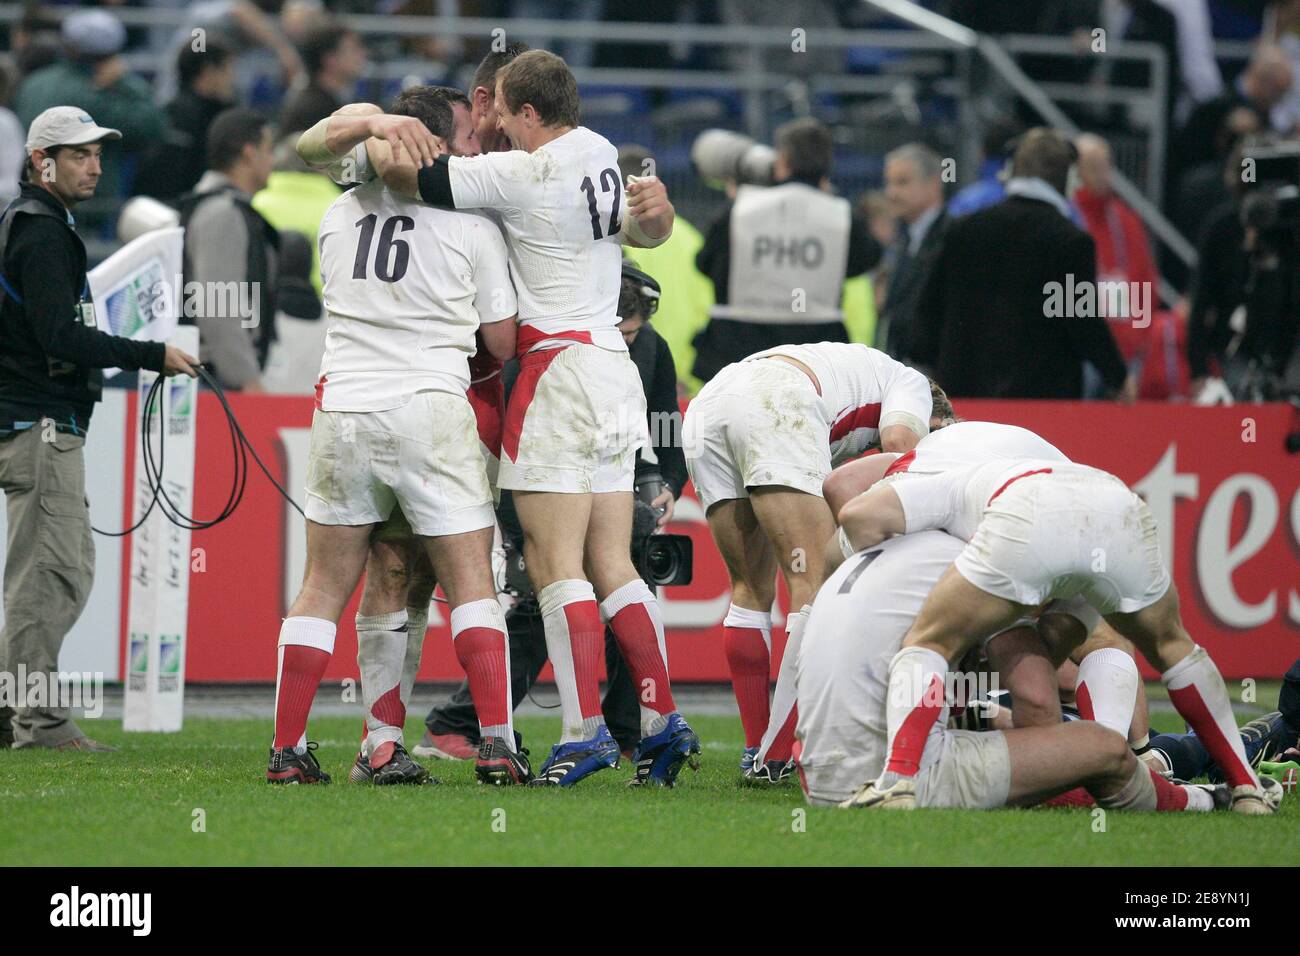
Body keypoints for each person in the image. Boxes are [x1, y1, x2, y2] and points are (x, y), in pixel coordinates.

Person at [362, 49, 699, 787]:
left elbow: (403, 175)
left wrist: (380, 125)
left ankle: (583, 733)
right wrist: (664, 219)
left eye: (503, 114)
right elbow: (642, 235)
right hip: (615, 367)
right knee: (614, 562)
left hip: (559, 374)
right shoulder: (604, 153)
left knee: (553, 565)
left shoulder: (522, 169)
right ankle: (660, 717)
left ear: (526, 114)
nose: (497, 128)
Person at [268, 85, 522, 786]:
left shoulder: (338, 213)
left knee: (327, 584)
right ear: (432, 145)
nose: (475, 149)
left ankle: (301, 749)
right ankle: (498, 743)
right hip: (432, 411)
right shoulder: (472, 227)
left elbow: (312, 143)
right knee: (470, 581)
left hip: (345, 409)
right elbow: (500, 344)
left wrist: (375, 124)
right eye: (467, 138)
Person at [834, 455, 1273, 814]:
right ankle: (1247, 789)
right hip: (1117, 502)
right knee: (1175, 648)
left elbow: (858, 515)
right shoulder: (1000, 451)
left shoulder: (939, 472)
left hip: (1028, 505)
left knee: (929, 640)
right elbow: (1048, 653)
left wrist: (857, 570)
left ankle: (898, 781)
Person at [419, 260, 690, 764]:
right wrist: (511, 518)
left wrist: (670, 483)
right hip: (545, 476)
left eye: (634, 333)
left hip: (607, 482)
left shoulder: (647, 347)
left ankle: (628, 728)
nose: (629, 341)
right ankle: (462, 721)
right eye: (623, 332)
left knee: (608, 582)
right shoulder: (548, 350)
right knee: (554, 595)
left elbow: (664, 418)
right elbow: (511, 428)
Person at [0, 107, 197, 751]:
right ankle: (39, 721)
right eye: (79, 154)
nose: (95, 165)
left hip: (35, 421)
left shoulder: (33, 223)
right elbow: (60, 335)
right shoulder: (42, 231)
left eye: (97, 154)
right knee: (49, 577)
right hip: (40, 426)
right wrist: (152, 354)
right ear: (41, 162)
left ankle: (13, 713)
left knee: (59, 569)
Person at [682, 340, 945, 782]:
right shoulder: (912, 382)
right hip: (776, 399)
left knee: (750, 589)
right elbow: (903, 447)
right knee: (815, 585)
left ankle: (756, 748)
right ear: (935, 416)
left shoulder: (861, 372)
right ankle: (779, 753)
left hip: (710, 403)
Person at [912, 128, 1135, 402]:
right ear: (1068, 177)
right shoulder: (1070, 241)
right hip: (1041, 405)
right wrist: (1118, 377)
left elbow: (928, 311)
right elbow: (1084, 324)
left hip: (966, 402)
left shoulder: (964, 228)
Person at [692, 118, 881, 384]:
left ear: (782, 160)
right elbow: (867, 259)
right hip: (816, 355)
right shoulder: (841, 215)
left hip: (737, 349)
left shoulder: (742, 208)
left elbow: (705, 262)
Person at [14, 9, 166, 230]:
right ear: (107, 57)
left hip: (33, 202)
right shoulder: (95, 96)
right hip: (84, 214)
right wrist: (124, 81)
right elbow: (154, 125)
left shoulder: (33, 83)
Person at [178, 108, 279, 392]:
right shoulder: (222, 213)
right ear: (248, 154)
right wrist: (246, 378)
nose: (273, 160)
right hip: (218, 382)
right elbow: (217, 306)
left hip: (214, 377)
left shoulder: (215, 207)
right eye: (268, 150)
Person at [132, 39, 237, 202]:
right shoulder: (178, 117)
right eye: (227, 69)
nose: (232, 78)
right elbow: (165, 178)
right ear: (208, 71)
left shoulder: (222, 113)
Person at [877, 143, 948, 365]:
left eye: (902, 182)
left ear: (934, 184)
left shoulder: (951, 239)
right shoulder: (903, 242)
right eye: (888, 183)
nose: (891, 193)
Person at [279, 23, 368, 135]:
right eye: (353, 49)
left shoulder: (338, 99)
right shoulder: (311, 108)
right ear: (329, 59)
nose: (363, 54)